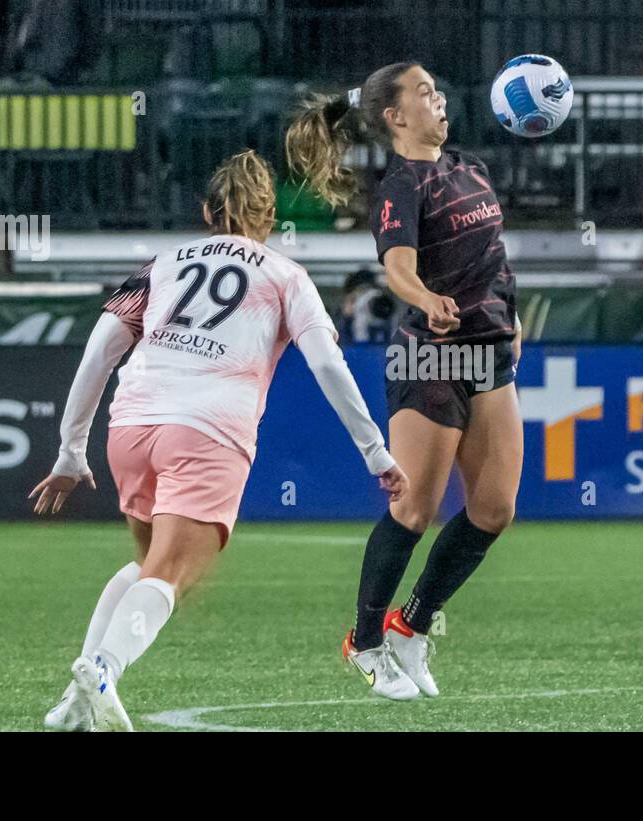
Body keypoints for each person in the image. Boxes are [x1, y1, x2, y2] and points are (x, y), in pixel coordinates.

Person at [29, 149, 408, 731]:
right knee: (170, 577)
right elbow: (328, 365)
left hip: (130, 428)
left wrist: (70, 449)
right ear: (269, 217)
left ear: (208, 210)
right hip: (207, 432)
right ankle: (101, 668)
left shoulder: (163, 263)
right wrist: (375, 452)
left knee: (150, 563)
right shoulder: (285, 276)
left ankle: (77, 700)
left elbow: (100, 350)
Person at [286, 63, 522, 700]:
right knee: (414, 507)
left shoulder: (469, 166)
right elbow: (397, 269)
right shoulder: (402, 184)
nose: (438, 99)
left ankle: (411, 628)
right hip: (433, 357)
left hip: (491, 353)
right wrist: (426, 296)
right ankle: (363, 640)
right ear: (395, 117)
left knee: (495, 509)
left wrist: (512, 315)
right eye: (423, 93)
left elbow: (493, 257)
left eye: (439, 90)